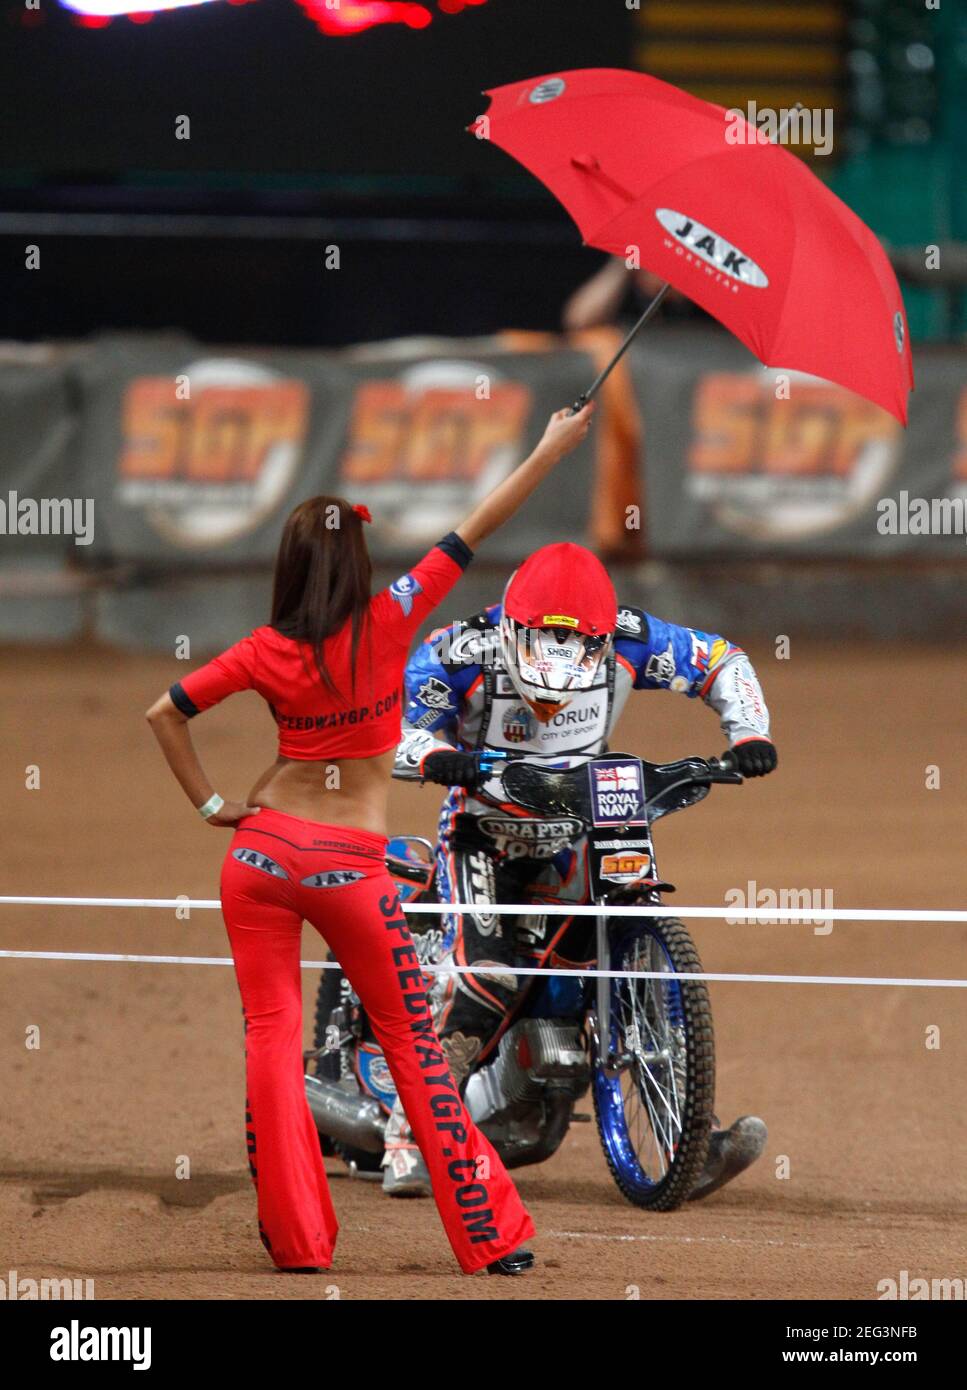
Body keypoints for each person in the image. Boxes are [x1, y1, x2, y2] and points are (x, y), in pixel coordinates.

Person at [145, 403, 595, 1277]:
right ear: (356, 557)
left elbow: (164, 712)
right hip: (349, 868)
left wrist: (210, 808)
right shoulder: (393, 615)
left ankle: (297, 1243)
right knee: (413, 1047)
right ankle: (489, 1237)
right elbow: (479, 525)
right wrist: (547, 447)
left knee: (270, 1040)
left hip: (259, 855)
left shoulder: (260, 649)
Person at [382, 541, 774, 1198]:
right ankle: (406, 1132)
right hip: (483, 836)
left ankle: (687, 1133)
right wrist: (429, 754)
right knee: (484, 979)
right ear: (510, 629)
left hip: (585, 823)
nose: (548, 709)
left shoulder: (632, 638)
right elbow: (393, 725)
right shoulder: (459, 648)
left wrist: (748, 734)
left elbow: (720, 661)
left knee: (623, 954)